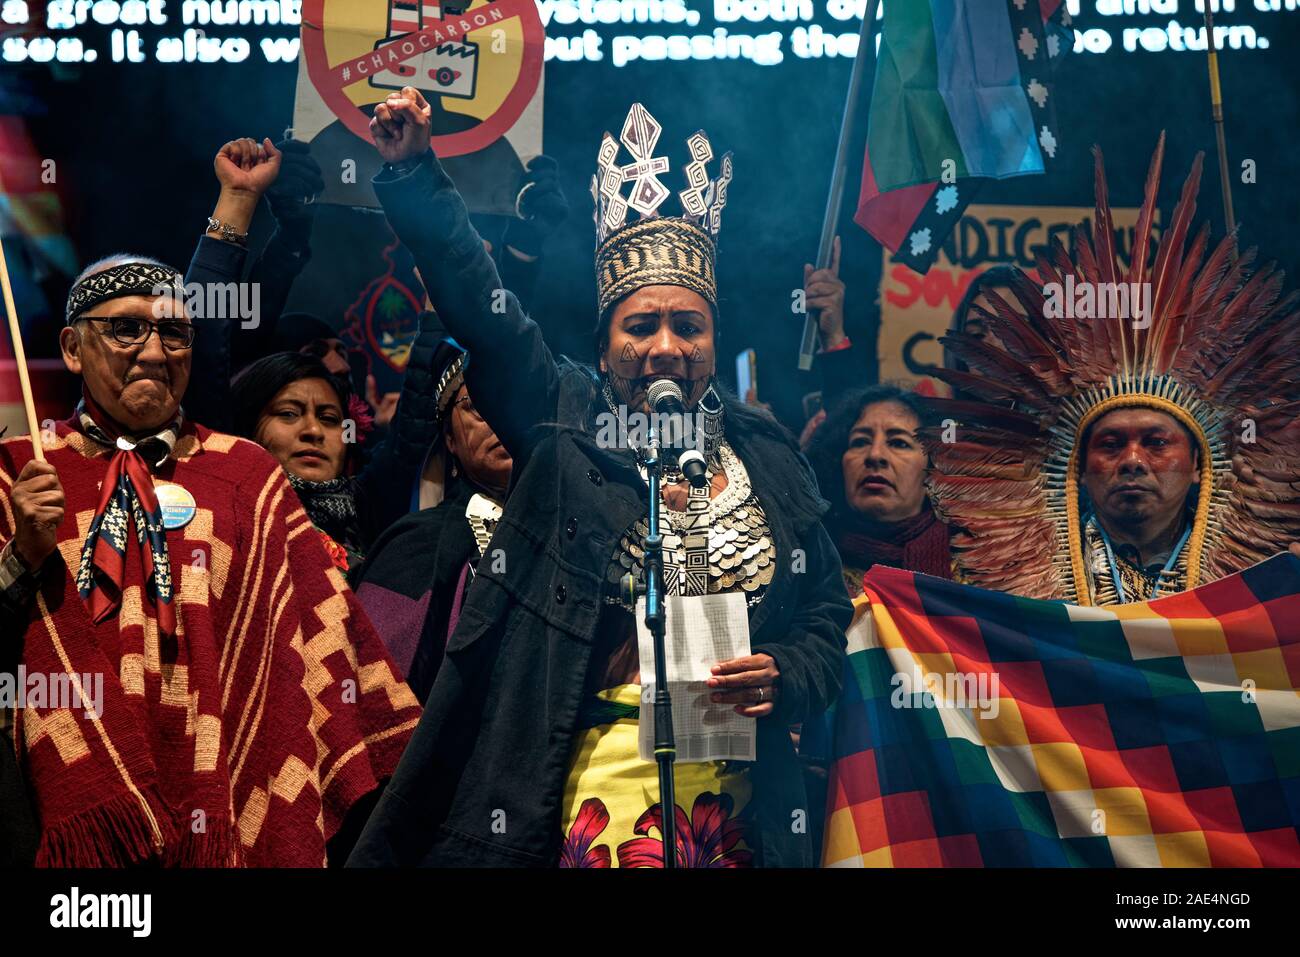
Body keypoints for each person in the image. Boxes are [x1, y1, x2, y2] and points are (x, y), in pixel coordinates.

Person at [347, 94, 851, 868]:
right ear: (604, 339)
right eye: (639, 326)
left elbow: (824, 613)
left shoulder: (768, 457)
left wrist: (787, 671)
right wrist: (417, 176)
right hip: (577, 790)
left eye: (689, 326)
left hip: (744, 805)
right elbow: (484, 314)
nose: (665, 347)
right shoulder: (563, 421)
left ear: (715, 340)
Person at [0, 256, 420, 866]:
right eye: (125, 329)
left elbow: (323, 640)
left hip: (227, 819)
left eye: (173, 333)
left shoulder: (245, 472)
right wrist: (20, 558)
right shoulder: (19, 471)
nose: (152, 351)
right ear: (71, 347)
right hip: (69, 826)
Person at [928, 134, 1300, 603]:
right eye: (1110, 444)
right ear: (1079, 469)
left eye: (1156, 442)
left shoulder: (1274, 579)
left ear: (1200, 467)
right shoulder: (1010, 595)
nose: (1132, 461)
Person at [351, 341, 515, 699]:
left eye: (512, 403)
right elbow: (377, 696)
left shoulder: (577, 530)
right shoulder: (416, 544)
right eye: (475, 407)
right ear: (450, 441)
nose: (499, 418)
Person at [805, 384, 952, 598]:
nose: (875, 455)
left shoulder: (979, 562)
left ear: (932, 472)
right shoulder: (811, 565)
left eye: (899, 443)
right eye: (860, 441)